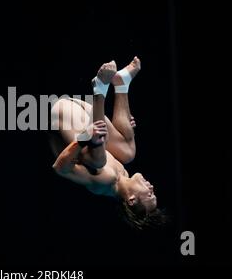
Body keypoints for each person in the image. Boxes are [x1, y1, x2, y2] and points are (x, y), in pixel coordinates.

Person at [49, 57, 167, 230]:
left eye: (149, 194)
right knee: (128, 152)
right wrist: (123, 128)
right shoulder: (122, 172)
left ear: (131, 199)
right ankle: (121, 83)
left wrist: (83, 139)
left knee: (98, 161)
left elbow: (60, 168)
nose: (152, 187)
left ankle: (100, 89)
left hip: (59, 114)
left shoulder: (104, 183)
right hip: (83, 113)